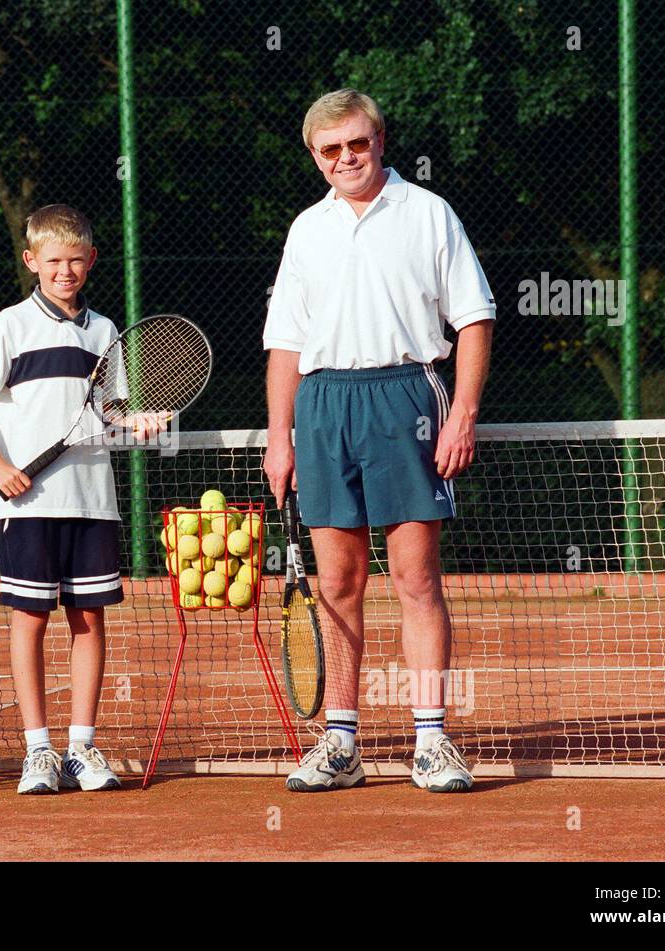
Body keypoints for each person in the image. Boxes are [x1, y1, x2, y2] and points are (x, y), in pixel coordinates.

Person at [262, 89, 495, 794]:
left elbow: (475, 319)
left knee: (416, 577)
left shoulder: (428, 213)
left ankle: (431, 739)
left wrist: (463, 415)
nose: (345, 158)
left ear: (380, 141)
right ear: (315, 156)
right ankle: (341, 742)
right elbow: (285, 343)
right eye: (330, 150)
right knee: (337, 581)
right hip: (324, 403)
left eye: (356, 144)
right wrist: (281, 436)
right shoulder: (306, 229)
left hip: (405, 400)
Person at [0, 204, 159, 794]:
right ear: (32, 263)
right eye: (53, 261)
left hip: (92, 502)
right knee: (30, 620)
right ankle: (38, 752)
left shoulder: (105, 333)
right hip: (26, 505)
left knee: (89, 620)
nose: (65, 271)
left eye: (75, 260)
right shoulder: (9, 325)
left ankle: (81, 748)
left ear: (92, 261)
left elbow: (109, 417)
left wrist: (139, 423)